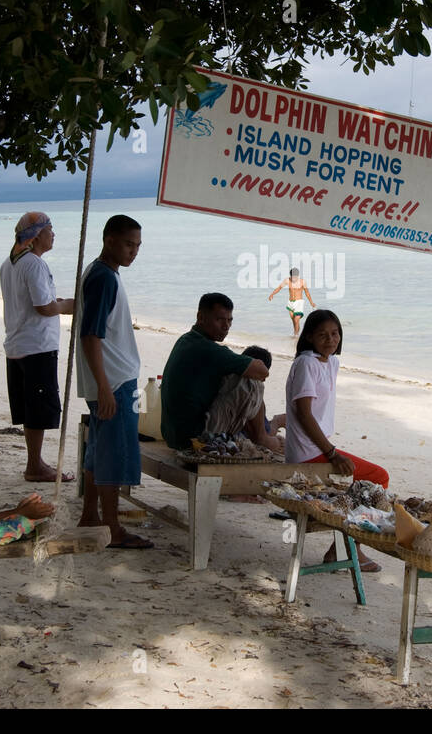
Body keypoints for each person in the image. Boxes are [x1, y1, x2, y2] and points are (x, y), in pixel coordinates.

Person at [284, 308, 389, 572]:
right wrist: (332, 453)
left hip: (318, 447)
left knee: (362, 486)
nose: (330, 339)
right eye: (322, 335)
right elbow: (304, 414)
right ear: (308, 337)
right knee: (378, 478)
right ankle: (349, 549)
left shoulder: (331, 362)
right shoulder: (306, 363)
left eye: (335, 333)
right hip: (309, 453)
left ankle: (341, 548)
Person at [75, 214, 152, 549]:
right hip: (114, 380)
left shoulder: (100, 272)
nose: (133, 251)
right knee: (113, 456)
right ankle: (113, 527)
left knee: (97, 453)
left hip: (110, 378)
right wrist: (104, 386)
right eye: (127, 244)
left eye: (137, 245)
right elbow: (91, 335)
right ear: (109, 240)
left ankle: (90, 515)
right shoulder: (104, 277)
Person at [0, 211, 75, 482]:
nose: (53, 234)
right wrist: (71, 306)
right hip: (37, 345)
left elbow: (33, 300)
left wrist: (62, 302)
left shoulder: (9, 263)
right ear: (35, 235)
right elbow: (44, 307)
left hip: (17, 343)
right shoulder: (34, 264)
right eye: (50, 229)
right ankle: (35, 465)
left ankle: (35, 462)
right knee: (37, 409)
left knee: (31, 408)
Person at [160, 293, 271, 451]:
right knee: (251, 382)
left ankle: (261, 434)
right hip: (194, 438)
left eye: (229, 320)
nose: (226, 326)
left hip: (174, 436)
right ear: (201, 317)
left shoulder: (186, 340)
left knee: (237, 374)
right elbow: (262, 372)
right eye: (219, 320)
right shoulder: (209, 350)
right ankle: (262, 437)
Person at [203, 345, 285, 450]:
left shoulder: (226, 382)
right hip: (222, 442)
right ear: (263, 377)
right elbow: (261, 438)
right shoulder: (249, 389)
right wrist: (278, 426)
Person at [267, 267, 316, 335]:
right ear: (290, 276)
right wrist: (272, 294)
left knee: (296, 319)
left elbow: (307, 292)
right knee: (294, 320)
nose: (294, 279)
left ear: (297, 276)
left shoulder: (302, 282)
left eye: (295, 277)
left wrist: (311, 302)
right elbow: (279, 288)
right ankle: (297, 333)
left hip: (299, 303)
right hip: (290, 303)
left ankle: (295, 336)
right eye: (293, 277)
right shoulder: (287, 280)